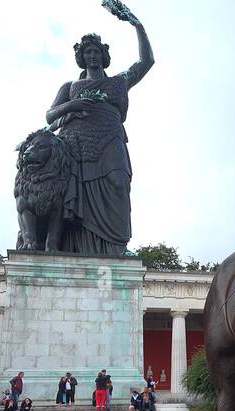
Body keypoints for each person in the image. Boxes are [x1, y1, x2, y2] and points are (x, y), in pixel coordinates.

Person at [44, 4, 154, 256]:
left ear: (104, 56)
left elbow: (147, 61)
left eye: (96, 51)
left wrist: (137, 25)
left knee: (118, 182)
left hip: (110, 139)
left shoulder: (119, 81)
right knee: (77, 193)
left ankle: (118, 246)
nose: (92, 55)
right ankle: (78, 247)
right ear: (81, 57)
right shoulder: (70, 86)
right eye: (88, 52)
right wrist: (72, 104)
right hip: (76, 144)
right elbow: (50, 115)